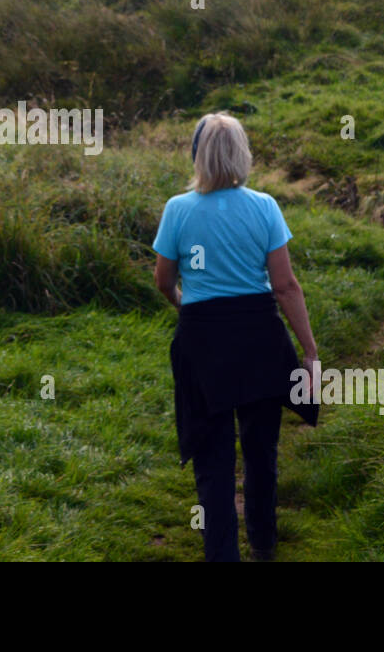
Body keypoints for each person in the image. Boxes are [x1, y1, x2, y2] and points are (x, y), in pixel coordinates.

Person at [152, 112, 319, 562]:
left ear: (197, 155)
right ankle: (264, 546)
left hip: (204, 345)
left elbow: (163, 280)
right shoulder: (265, 206)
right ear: (241, 155)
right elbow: (285, 285)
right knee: (262, 451)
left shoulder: (177, 209)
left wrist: (185, 303)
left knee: (213, 461)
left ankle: (221, 554)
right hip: (260, 341)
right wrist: (309, 351)